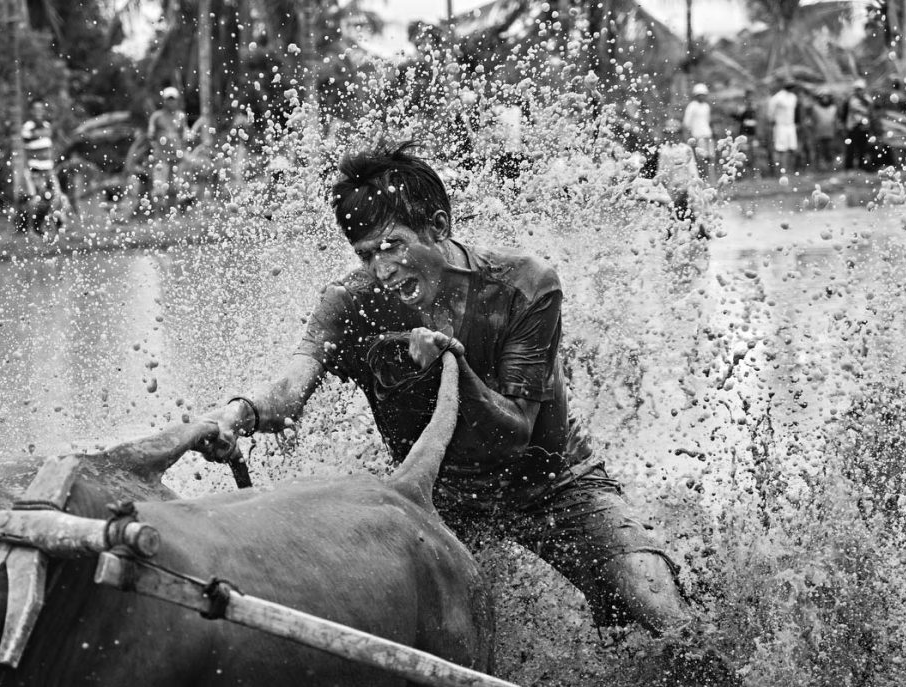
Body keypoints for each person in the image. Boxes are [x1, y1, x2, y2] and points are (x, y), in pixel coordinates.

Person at [200, 142, 738, 684]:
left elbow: (515, 430)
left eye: (393, 245)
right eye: (367, 254)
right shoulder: (349, 303)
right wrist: (238, 413)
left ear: (438, 226)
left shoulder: (526, 285)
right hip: (438, 502)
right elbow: (290, 392)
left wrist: (450, 366)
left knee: (657, 607)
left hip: (553, 481)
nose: (381, 268)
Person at [19, 99, 66, 233]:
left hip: (48, 169)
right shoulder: (28, 127)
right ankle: (36, 226)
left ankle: (56, 223)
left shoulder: (46, 126)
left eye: (41, 109)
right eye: (36, 109)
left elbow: (48, 145)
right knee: (41, 198)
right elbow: (25, 143)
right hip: (36, 170)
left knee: (57, 196)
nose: (39, 112)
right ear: (31, 111)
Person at [147, 87, 190, 211]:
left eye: (173, 99)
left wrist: (187, 137)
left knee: (180, 187)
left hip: (178, 157)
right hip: (161, 157)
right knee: (159, 188)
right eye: (168, 100)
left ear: (177, 101)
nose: (171, 102)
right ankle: (158, 217)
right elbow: (150, 135)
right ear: (164, 101)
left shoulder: (181, 116)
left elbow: (184, 132)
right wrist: (156, 150)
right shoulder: (157, 116)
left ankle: (178, 214)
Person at [683, 83, 714, 181]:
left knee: (710, 158)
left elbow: (707, 121)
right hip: (697, 136)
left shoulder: (706, 106)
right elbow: (686, 123)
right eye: (700, 95)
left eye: (703, 95)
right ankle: (701, 179)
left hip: (707, 135)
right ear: (696, 95)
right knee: (701, 159)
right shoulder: (692, 106)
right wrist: (689, 136)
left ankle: (710, 179)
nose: (702, 97)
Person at [766, 81, 798, 173]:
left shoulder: (793, 97)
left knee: (791, 148)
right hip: (781, 126)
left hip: (790, 125)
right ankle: (780, 170)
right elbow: (770, 111)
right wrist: (771, 121)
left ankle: (789, 170)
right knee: (781, 148)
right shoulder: (778, 98)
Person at [843, 79, 873, 171]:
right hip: (853, 126)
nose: (859, 91)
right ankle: (849, 167)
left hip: (864, 126)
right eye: (857, 89)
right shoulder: (851, 99)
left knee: (863, 147)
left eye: (861, 89)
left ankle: (861, 166)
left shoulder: (868, 99)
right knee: (851, 147)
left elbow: (871, 111)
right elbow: (848, 111)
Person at [733, 88, 761, 178]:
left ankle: (756, 174)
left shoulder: (755, 107)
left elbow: (756, 121)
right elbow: (738, 119)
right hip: (744, 135)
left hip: (753, 135)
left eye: (752, 97)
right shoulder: (742, 108)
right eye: (749, 97)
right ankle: (744, 175)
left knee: (755, 154)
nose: (750, 99)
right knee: (743, 155)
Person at [811, 91, 839, 172]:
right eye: (823, 97)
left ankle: (830, 167)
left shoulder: (833, 108)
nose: (825, 99)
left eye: (826, 97)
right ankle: (819, 168)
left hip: (830, 133)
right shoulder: (815, 108)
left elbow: (836, 121)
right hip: (819, 133)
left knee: (829, 150)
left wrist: (836, 130)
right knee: (819, 151)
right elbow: (813, 121)